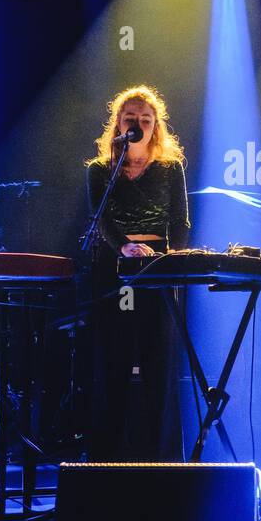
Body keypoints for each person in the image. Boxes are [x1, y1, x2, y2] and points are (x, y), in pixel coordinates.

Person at [84, 85, 190, 460]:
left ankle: (164, 461)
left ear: (155, 126)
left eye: (146, 119)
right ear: (119, 124)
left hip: (157, 270)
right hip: (114, 269)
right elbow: (101, 221)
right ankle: (105, 462)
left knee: (158, 363)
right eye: (131, 118)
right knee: (113, 361)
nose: (139, 124)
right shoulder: (101, 171)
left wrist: (172, 259)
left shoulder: (169, 168)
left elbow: (179, 221)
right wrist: (124, 246)